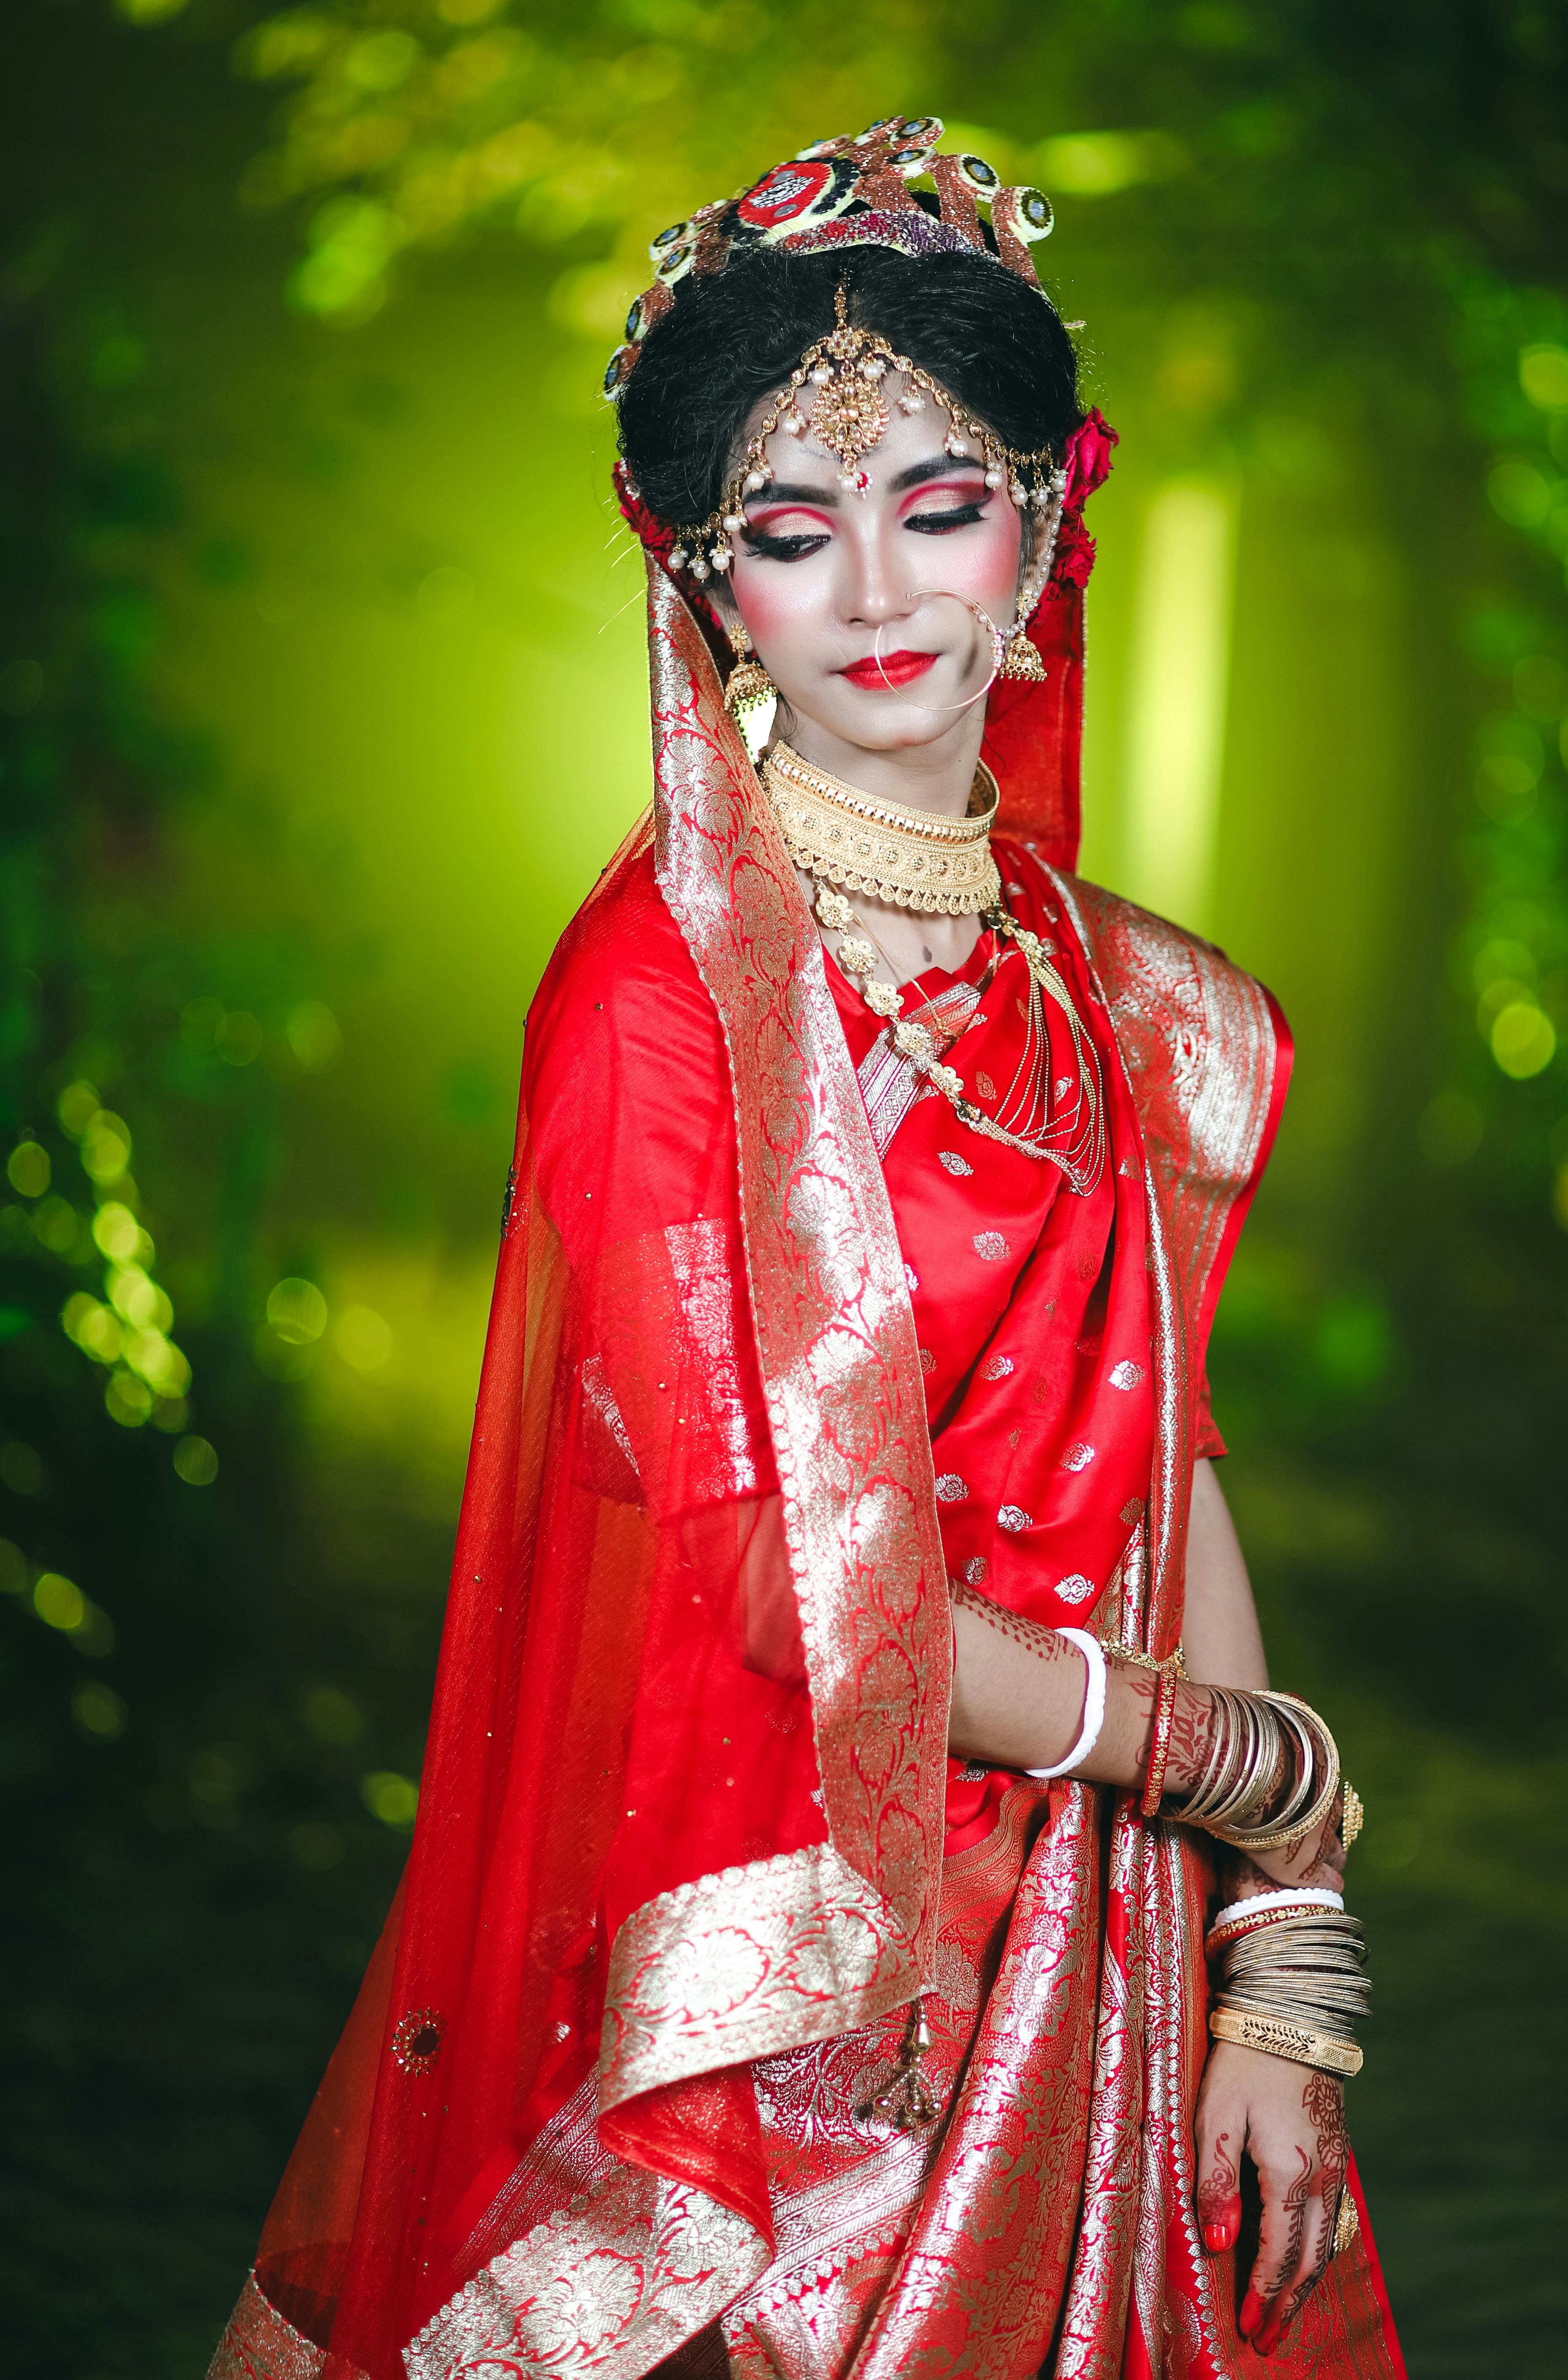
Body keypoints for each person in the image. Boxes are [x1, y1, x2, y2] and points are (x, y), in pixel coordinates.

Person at [208, 118, 1405, 2380]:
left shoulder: (1125, 998)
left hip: (1095, 1928)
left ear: (1045, 527)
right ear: (705, 580)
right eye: (791, 530)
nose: (876, 597)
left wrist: (1293, 1962)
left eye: (939, 508)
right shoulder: (657, 1002)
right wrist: (1222, 1755)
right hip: (766, 1957)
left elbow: (1172, 1475)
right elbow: (770, 1578)